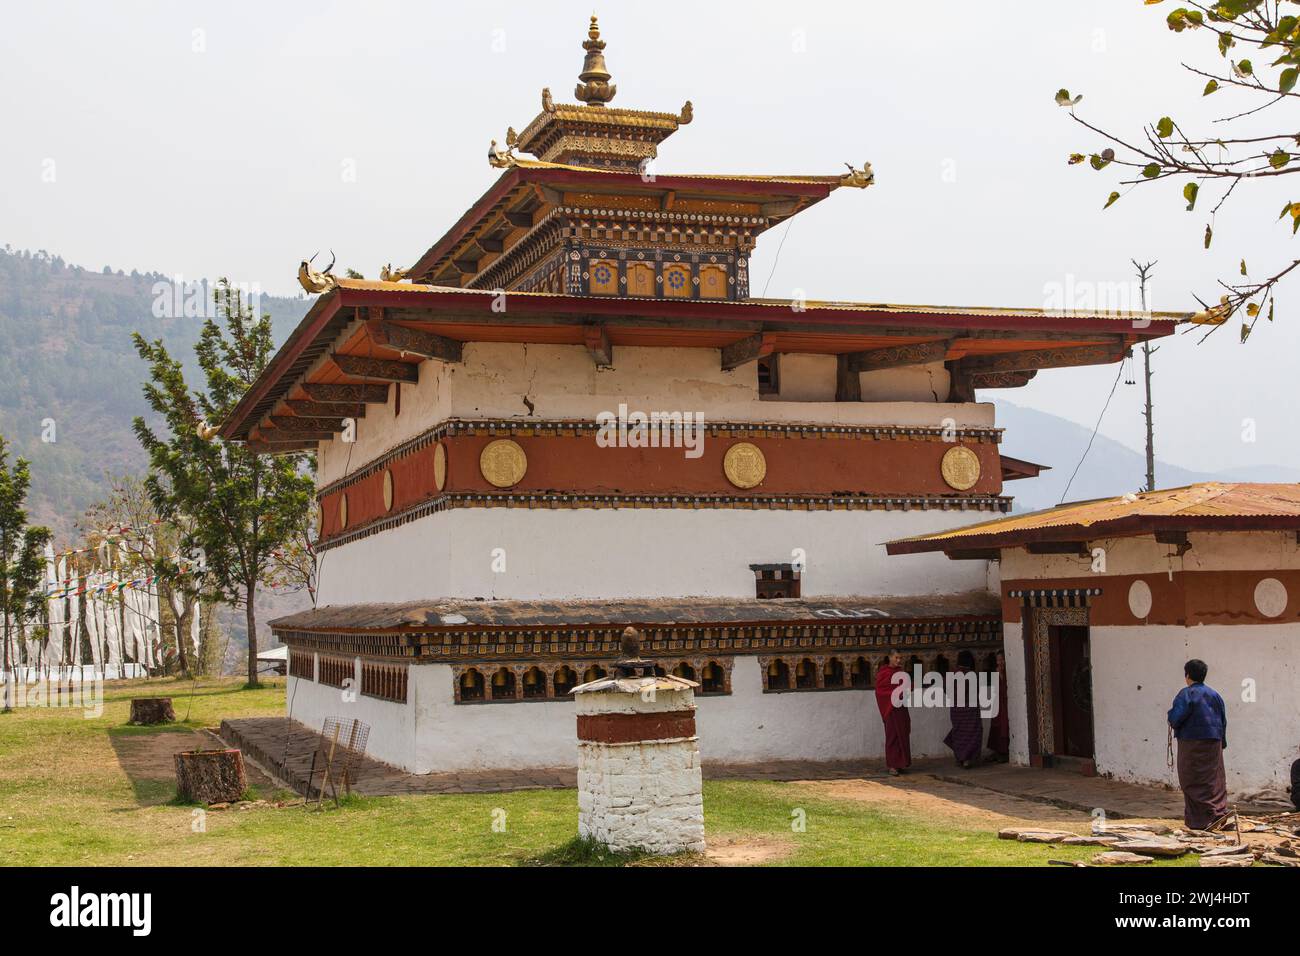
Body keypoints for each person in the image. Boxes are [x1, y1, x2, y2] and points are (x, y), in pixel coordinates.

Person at [1167, 658, 1229, 830]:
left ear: (1187, 675)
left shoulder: (1186, 694)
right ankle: (1218, 813)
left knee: (1191, 778)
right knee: (1213, 779)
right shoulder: (1215, 695)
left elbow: (1176, 717)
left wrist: (1170, 717)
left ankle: (1200, 820)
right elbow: (1223, 720)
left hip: (1191, 742)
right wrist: (1221, 743)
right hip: (1213, 741)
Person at [944, 650, 984, 768]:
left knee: (959, 733)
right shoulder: (972, 675)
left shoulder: (952, 675)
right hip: (970, 711)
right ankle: (967, 759)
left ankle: (960, 757)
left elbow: (947, 691)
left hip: (957, 710)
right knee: (972, 732)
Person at [874, 651, 912, 776]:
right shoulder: (884, 673)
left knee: (903, 734)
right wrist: (897, 693)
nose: (899, 660)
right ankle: (892, 765)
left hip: (901, 708)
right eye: (896, 657)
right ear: (889, 657)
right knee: (892, 737)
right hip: (890, 710)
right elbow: (880, 692)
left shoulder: (902, 673)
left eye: (901, 658)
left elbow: (907, 688)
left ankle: (901, 763)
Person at [986, 651, 1010, 762]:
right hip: (998, 703)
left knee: (1004, 726)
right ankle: (996, 751)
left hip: (1006, 703)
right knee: (996, 725)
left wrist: (1001, 675)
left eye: (1002, 659)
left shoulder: (1009, 672)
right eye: (998, 660)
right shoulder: (995, 672)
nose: (1000, 662)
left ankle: (1005, 752)